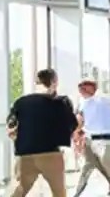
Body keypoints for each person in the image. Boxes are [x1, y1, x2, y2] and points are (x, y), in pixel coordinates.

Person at [7, 68, 79, 197]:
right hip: (50, 153)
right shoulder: (61, 103)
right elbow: (72, 125)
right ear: (54, 82)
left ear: (37, 83)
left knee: (20, 190)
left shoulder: (20, 102)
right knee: (59, 193)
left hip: (24, 154)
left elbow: (11, 126)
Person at [71, 78, 110, 197]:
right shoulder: (107, 100)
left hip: (91, 141)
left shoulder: (83, 103)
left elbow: (78, 122)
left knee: (87, 168)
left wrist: (76, 137)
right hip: (107, 141)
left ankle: (76, 193)